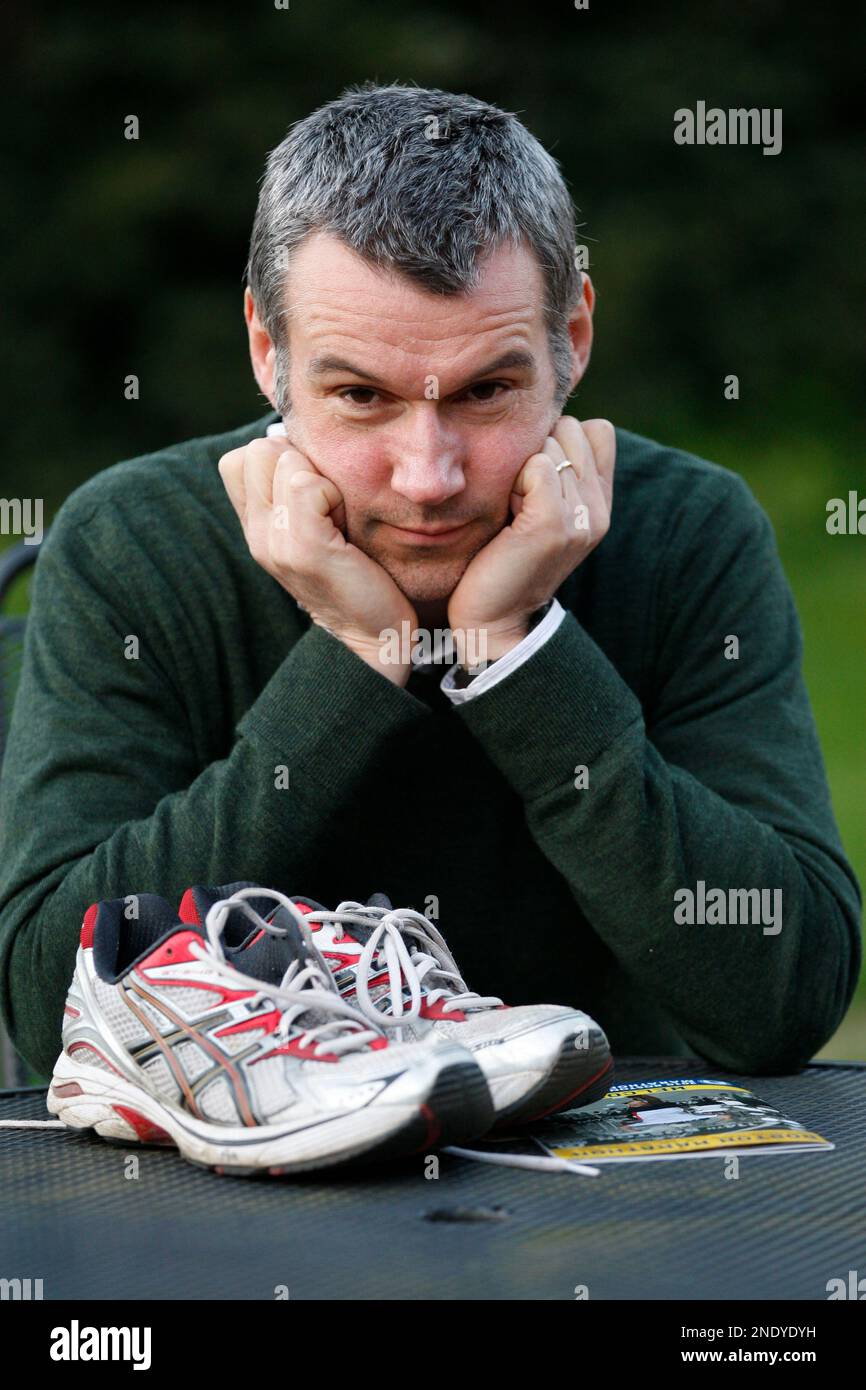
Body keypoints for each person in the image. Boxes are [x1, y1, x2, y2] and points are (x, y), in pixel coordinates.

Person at [0, 82, 860, 1081]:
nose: (428, 475)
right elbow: (48, 1003)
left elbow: (781, 999)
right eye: (360, 395)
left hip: (597, 1210)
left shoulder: (685, 533)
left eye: (487, 392)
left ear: (569, 340)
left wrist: (516, 650)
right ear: (266, 349)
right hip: (218, 1200)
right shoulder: (133, 543)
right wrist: (355, 660)